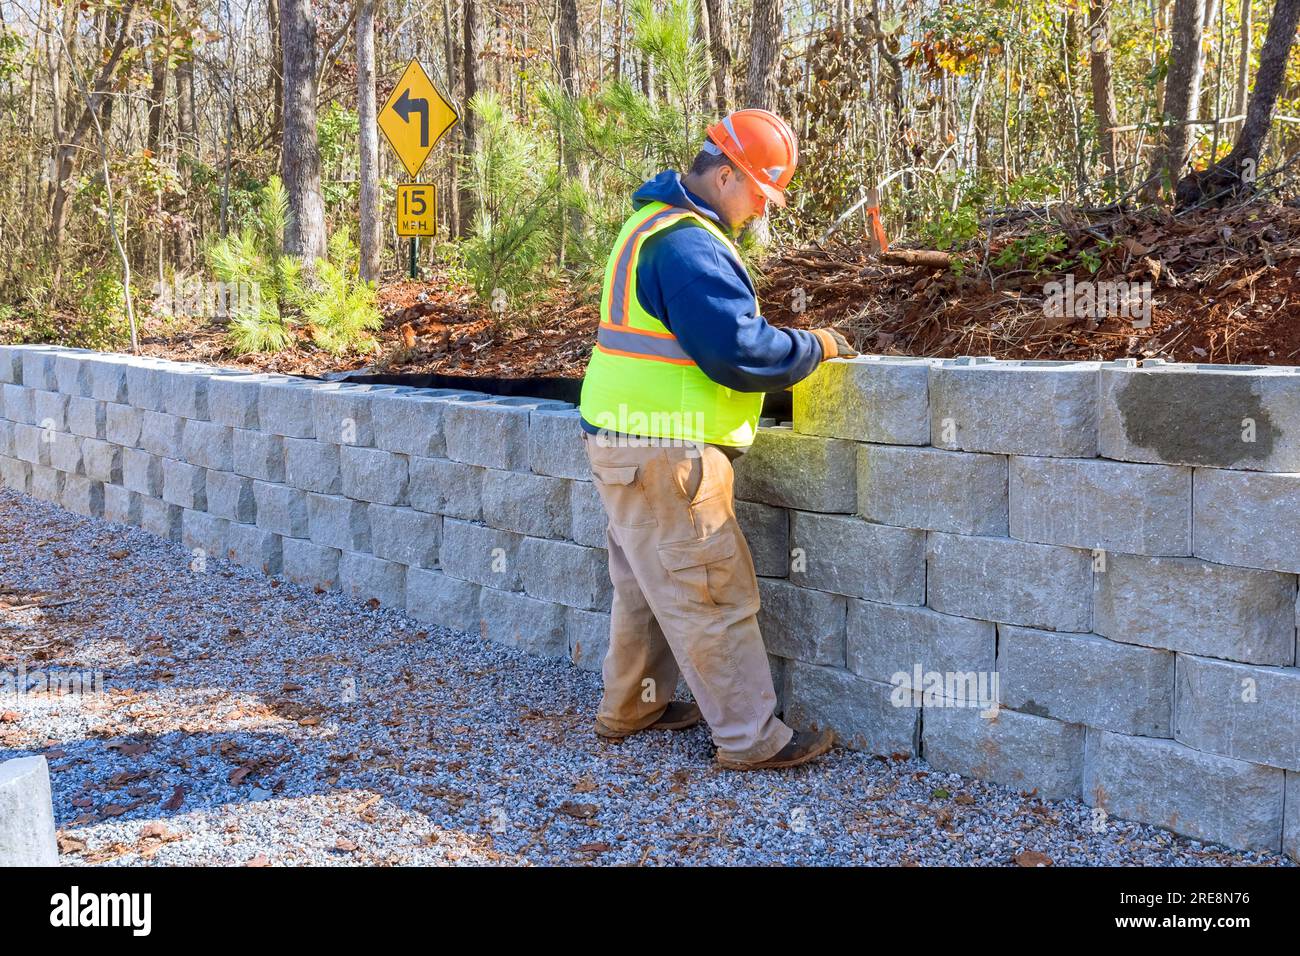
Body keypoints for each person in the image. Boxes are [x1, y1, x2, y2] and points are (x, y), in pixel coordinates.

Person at [577, 108, 859, 770]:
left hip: (623, 445)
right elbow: (736, 350)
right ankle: (751, 739)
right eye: (760, 194)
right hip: (666, 455)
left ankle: (633, 706)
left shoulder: (650, 224)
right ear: (726, 175)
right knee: (710, 595)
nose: (762, 211)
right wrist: (814, 345)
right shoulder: (687, 245)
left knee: (648, 588)